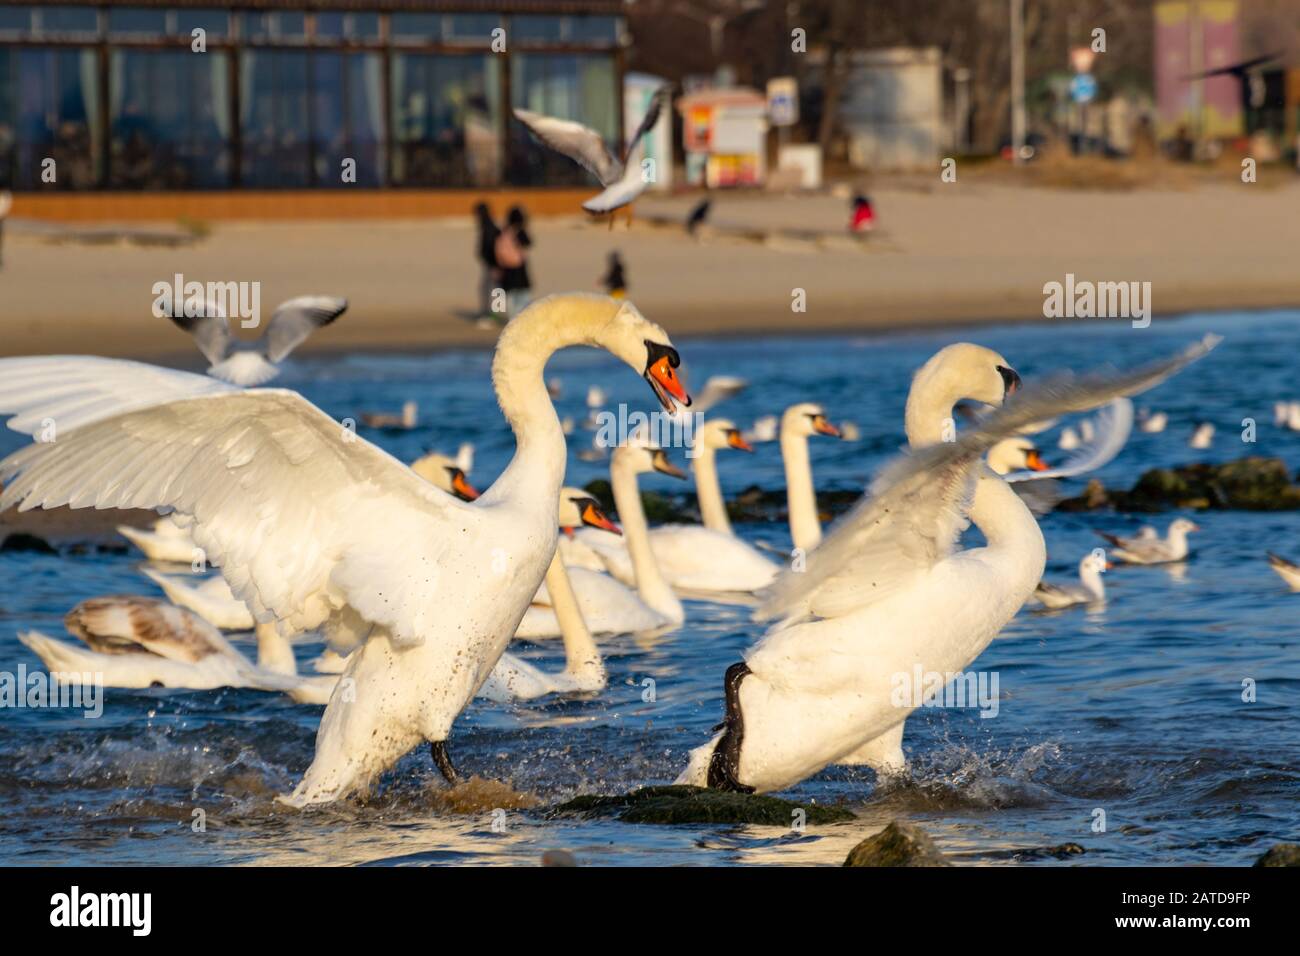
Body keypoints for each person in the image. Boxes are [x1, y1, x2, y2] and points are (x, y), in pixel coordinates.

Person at [496, 205, 532, 318]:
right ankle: (520, 318)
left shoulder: (504, 231)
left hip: (506, 268)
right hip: (519, 268)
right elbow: (528, 243)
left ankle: (510, 318)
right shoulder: (519, 231)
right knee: (523, 295)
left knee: (510, 295)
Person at [472, 202, 499, 318]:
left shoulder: (488, 226)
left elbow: (489, 247)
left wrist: (491, 261)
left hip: (493, 263)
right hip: (492, 263)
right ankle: (494, 313)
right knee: (493, 289)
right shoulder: (490, 225)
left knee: (492, 289)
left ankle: (493, 314)